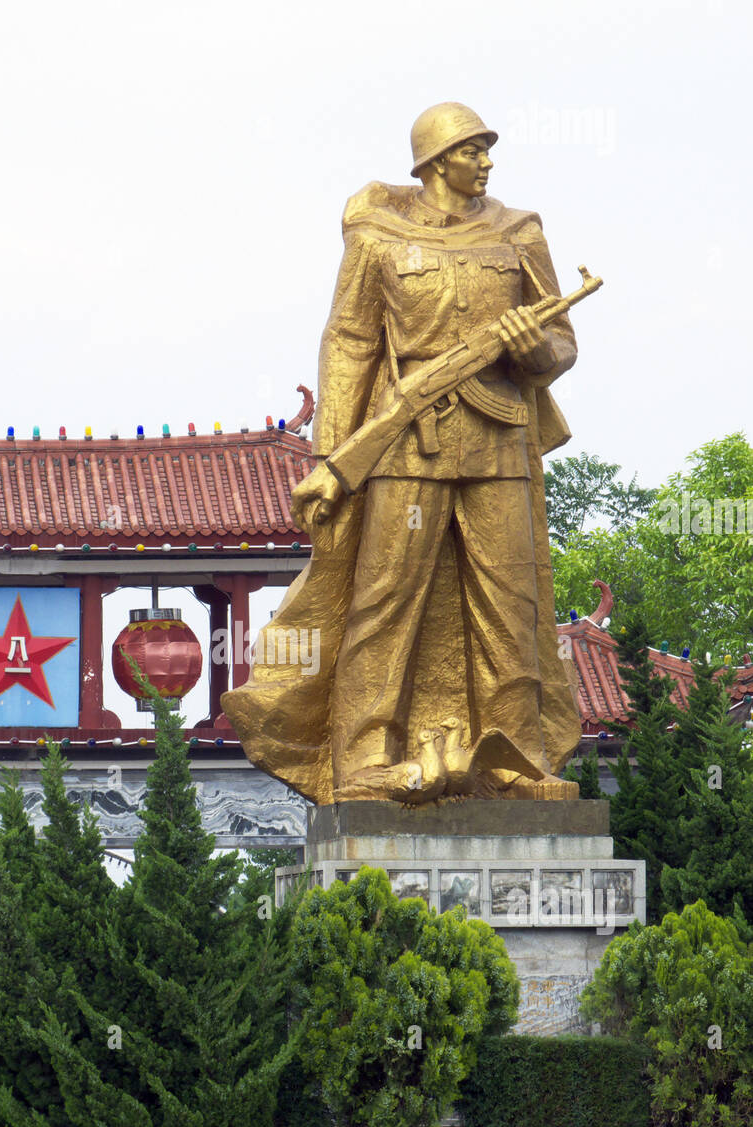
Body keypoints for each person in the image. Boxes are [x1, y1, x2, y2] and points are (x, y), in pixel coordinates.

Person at [222, 102, 582, 805]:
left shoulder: (520, 232)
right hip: (404, 444)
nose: (486, 162)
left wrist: (531, 347)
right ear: (436, 160)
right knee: (383, 601)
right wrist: (334, 458)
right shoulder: (378, 238)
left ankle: (517, 761)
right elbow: (351, 340)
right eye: (474, 149)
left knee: (512, 605)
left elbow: (561, 344)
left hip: (499, 438)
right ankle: (362, 760)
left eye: (487, 150)